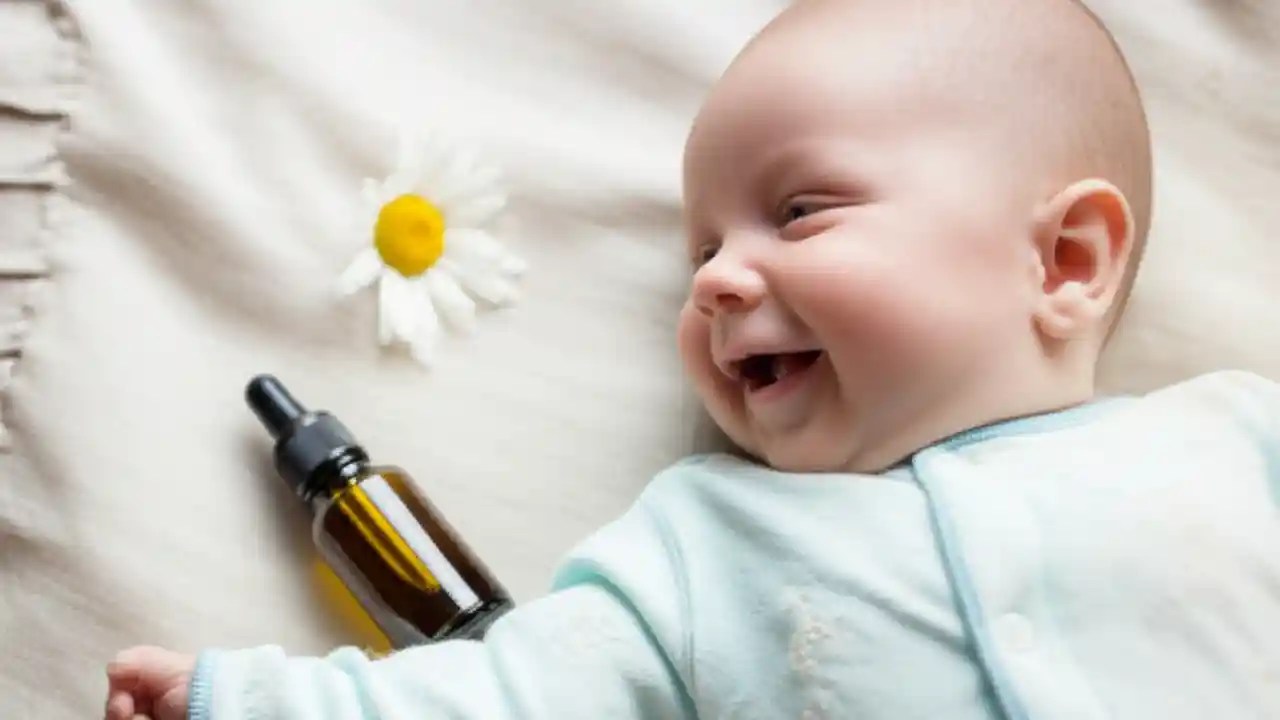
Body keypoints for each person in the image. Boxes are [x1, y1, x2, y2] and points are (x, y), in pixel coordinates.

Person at [104, 0, 1280, 718]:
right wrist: (243, 699)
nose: (716, 279)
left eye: (802, 211)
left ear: (1064, 261)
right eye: (701, 251)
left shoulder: (1230, 443)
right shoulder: (698, 553)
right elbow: (500, 697)